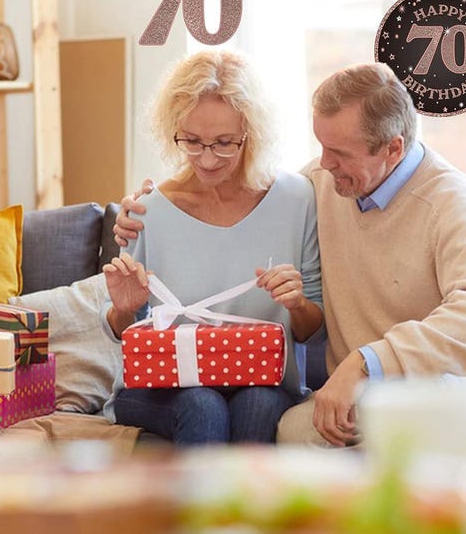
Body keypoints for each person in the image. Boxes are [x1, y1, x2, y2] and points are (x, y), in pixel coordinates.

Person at [116, 62, 466, 447]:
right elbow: (250, 194)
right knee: (293, 429)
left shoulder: (451, 199)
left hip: (460, 385)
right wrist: (146, 205)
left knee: (399, 413)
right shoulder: (322, 183)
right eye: (322, 146)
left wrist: (366, 362)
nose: (325, 163)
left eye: (340, 152)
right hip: (366, 392)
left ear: (393, 148)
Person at [101, 50, 323, 445]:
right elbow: (122, 331)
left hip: (263, 380)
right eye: (192, 141)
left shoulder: (297, 199)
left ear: (251, 134)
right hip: (163, 386)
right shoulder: (149, 210)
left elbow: (312, 332)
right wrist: (124, 309)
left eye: (223, 143)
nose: (206, 160)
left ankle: (236, 490)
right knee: (203, 405)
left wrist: (296, 303)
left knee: (258, 404)